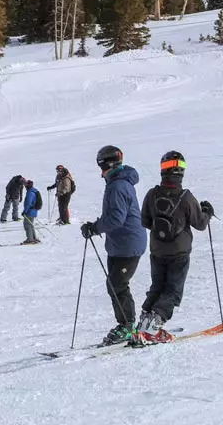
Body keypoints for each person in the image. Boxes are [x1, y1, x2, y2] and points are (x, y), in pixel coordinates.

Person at [135, 150, 212, 344]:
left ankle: (144, 323)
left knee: (157, 286)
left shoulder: (152, 194)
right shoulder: (186, 197)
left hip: (157, 250)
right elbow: (200, 224)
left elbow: (145, 221)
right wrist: (207, 213)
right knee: (173, 291)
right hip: (179, 251)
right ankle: (152, 327)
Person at [81, 145, 147, 345]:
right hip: (120, 244)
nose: (100, 173)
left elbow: (117, 219)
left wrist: (95, 227)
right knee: (115, 285)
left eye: (101, 167)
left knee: (117, 284)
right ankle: (126, 324)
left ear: (107, 164)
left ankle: (127, 326)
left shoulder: (118, 186)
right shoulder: (117, 183)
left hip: (128, 244)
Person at [21, 179, 43, 244]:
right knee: (30, 224)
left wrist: (25, 211)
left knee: (27, 224)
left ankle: (30, 239)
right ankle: (33, 237)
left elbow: (28, 203)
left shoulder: (30, 192)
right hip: (33, 211)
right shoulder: (33, 190)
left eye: (26, 184)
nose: (25, 186)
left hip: (30, 211)